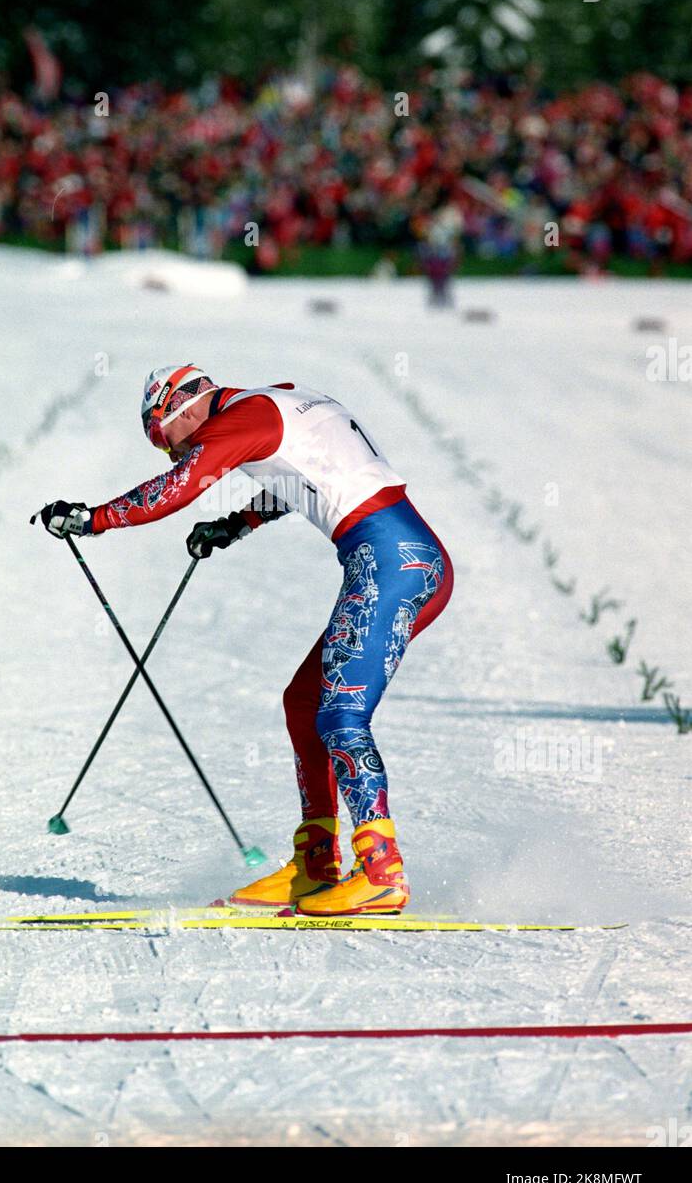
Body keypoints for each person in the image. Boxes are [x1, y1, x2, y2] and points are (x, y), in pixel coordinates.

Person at [35, 365, 453, 915]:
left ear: (181, 404)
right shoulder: (274, 401)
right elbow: (312, 472)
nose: (170, 451)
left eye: (162, 436)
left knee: (342, 716)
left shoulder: (243, 418)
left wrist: (94, 520)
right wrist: (238, 524)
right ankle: (316, 865)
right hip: (402, 558)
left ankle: (382, 873)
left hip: (393, 563)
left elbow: (181, 488)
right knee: (304, 703)